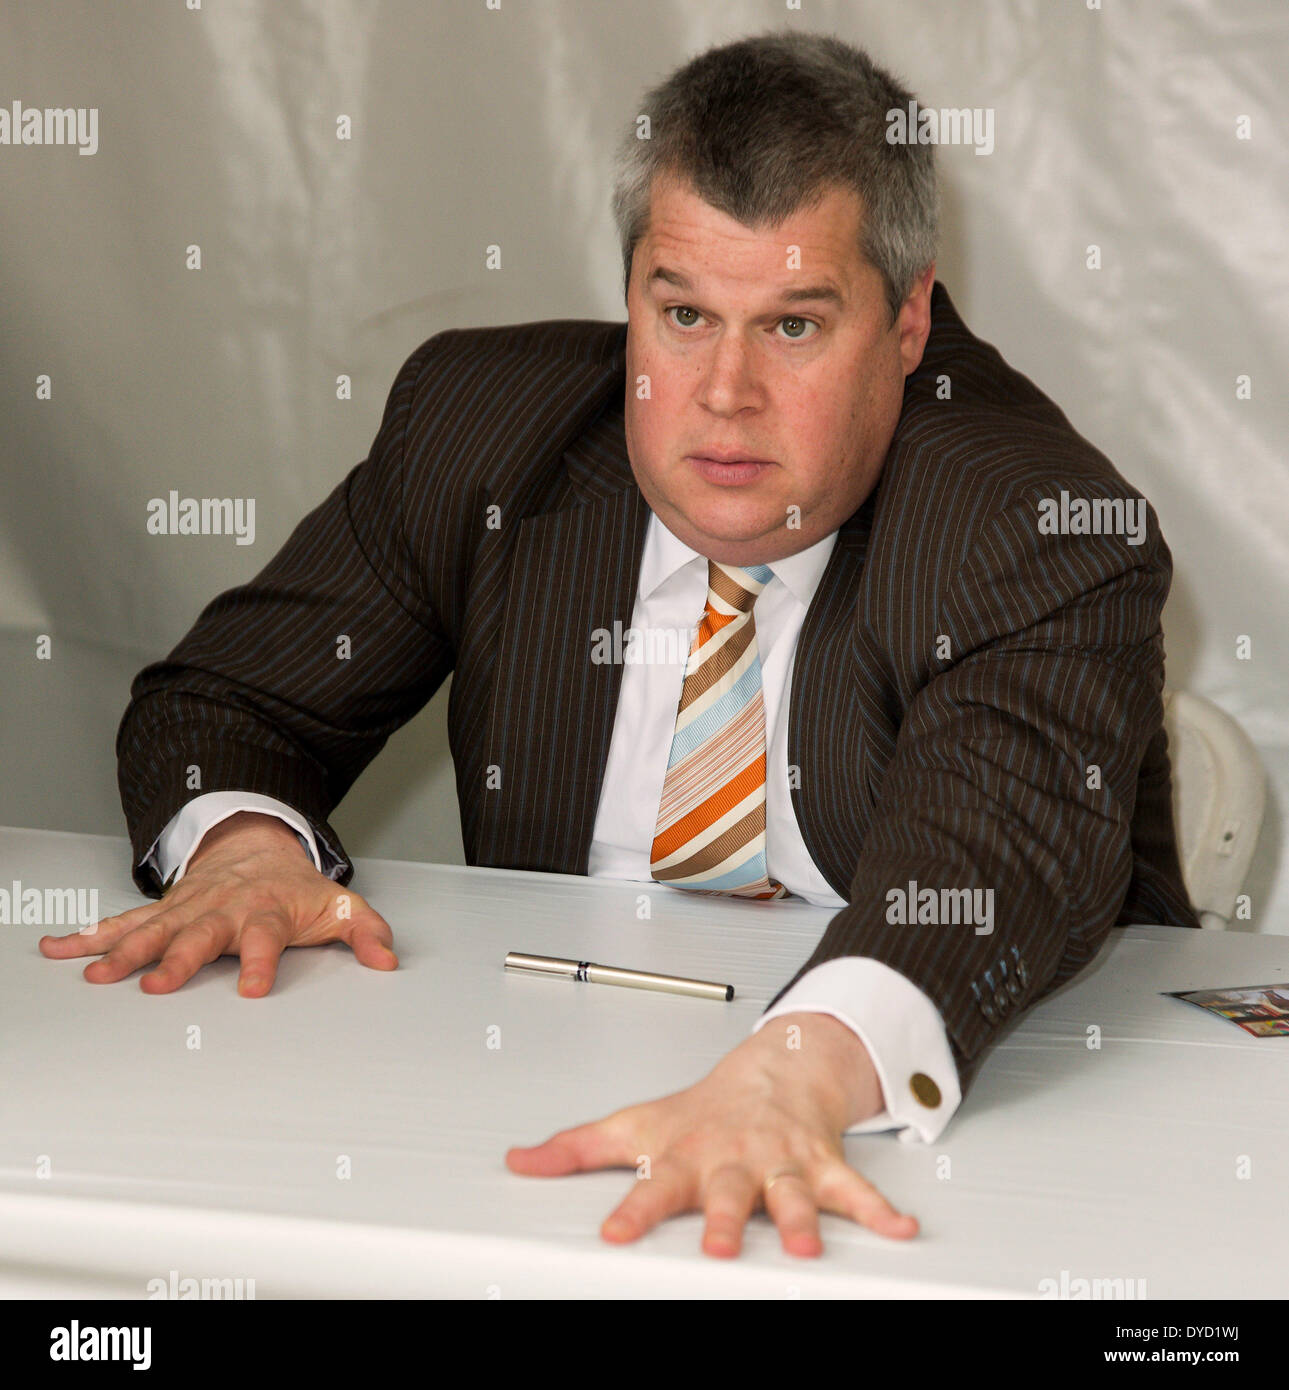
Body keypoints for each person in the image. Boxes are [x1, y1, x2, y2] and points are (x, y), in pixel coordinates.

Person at [41, 29, 1198, 1260]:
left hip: (956, 1165)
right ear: (632, 287)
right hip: (529, 1130)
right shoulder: (483, 432)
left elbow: (980, 862)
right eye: (683, 312)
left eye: (794, 327)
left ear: (908, 321)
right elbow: (231, 698)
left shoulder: (1026, 521)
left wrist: (794, 1074)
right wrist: (245, 843)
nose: (722, 393)